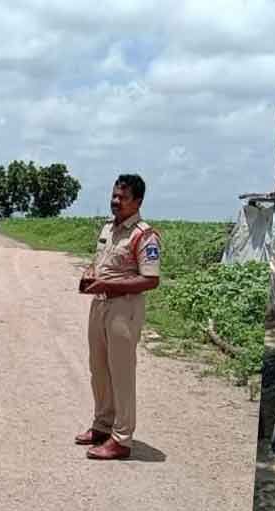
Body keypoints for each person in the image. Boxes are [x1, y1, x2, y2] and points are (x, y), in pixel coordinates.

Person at [75, 174, 161, 460]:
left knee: (121, 374)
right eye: (114, 196)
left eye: (122, 197)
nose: (115, 201)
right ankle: (102, 425)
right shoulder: (108, 229)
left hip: (124, 308)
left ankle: (122, 439)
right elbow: (100, 261)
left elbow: (151, 280)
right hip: (99, 305)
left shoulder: (144, 235)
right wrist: (90, 273)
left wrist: (110, 285)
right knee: (98, 369)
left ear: (137, 201)